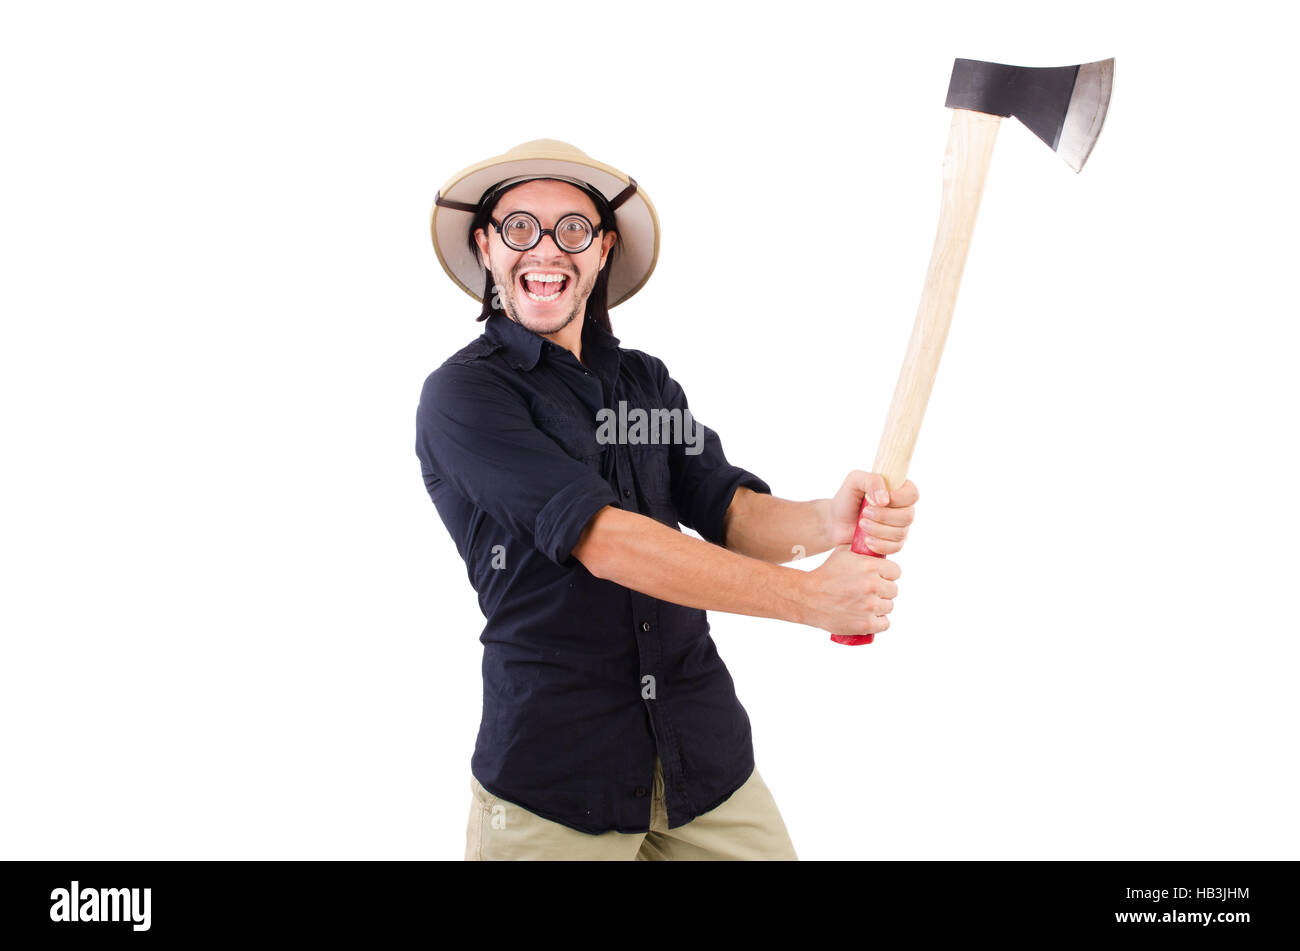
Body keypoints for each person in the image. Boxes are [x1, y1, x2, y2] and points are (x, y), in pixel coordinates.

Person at [416, 139, 919, 860]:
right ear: (487, 246)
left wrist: (826, 520)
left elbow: (727, 509)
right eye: (520, 227)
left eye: (573, 230)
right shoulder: (464, 395)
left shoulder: (645, 384)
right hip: (554, 783)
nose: (546, 250)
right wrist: (809, 600)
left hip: (702, 761)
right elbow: (606, 540)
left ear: (602, 248)